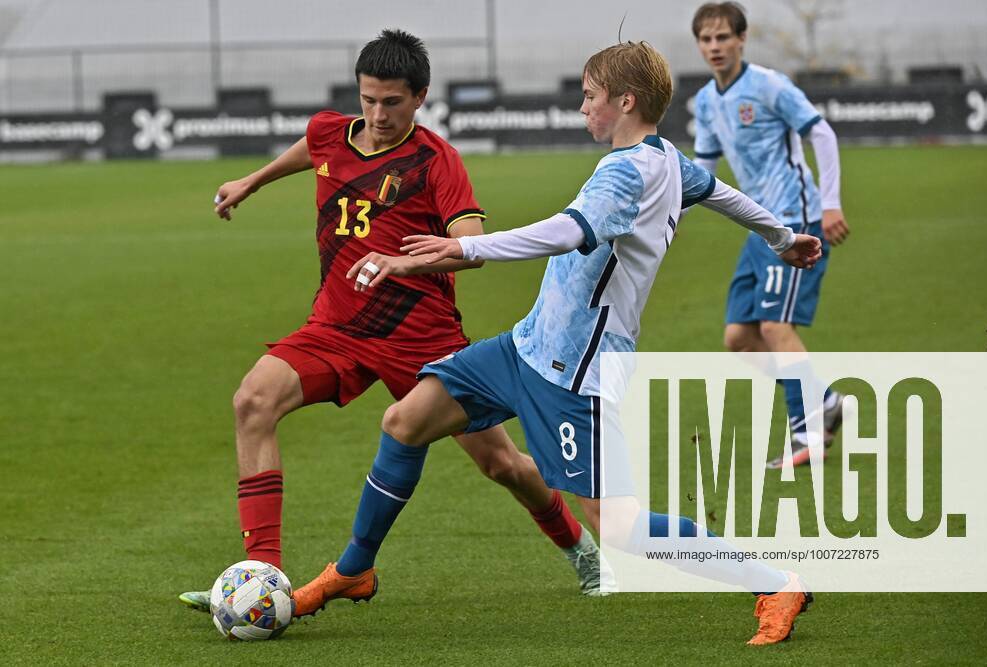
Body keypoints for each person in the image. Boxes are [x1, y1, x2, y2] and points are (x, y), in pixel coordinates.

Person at [294, 40, 822, 646]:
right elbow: (721, 192)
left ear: (626, 102)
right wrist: (783, 237)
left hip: (576, 371)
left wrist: (460, 247)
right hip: (527, 346)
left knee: (617, 526)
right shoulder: (667, 160)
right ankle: (353, 570)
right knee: (405, 421)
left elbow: (566, 232)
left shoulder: (626, 171)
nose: (583, 107)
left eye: (591, 96)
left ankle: (775, 582)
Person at [178, 29, 610, 612]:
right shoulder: (329, 132)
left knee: (500, 463)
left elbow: (471, 245)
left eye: (393, 102)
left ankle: (579, 549)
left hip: (423, 341)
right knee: (252, 401)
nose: (378, 115)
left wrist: (404, 262)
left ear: (420, 97)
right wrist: (250, 182)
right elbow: (311, 150)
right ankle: (262, 579)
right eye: (368, 99)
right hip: (335, 328)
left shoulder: (436, 161)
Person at [690, 2, 849, 468]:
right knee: (739, 337)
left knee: (776, 327)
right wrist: (666, 215)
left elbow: (822, 134)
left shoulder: (770, 85)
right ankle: (825, 400)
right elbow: (703, 170)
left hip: (797, 220)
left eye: (723, 37)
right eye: (706, 39)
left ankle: (808, 435)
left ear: (742, 39)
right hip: (760, 227)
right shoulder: (706, 100)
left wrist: (831, 202)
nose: (715, 47)